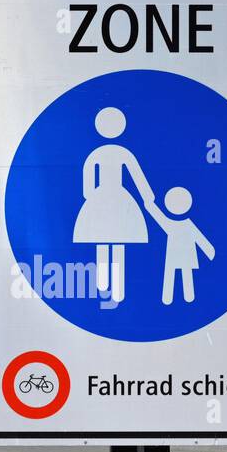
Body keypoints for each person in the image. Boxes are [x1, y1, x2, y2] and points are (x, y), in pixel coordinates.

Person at [72, 107, 155, 304]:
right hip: (119, 198)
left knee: (104, 240)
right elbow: (138, 177)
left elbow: (87, 184)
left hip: (100, 198)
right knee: (118, 242)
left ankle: (105, 285)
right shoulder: (121, 153)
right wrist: (148, 197)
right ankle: (115, 288)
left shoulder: (97, 153)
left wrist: (93, 200)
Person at [143, 186, 215, 304]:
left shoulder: (180, 225)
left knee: (183, 275)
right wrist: (150, 206)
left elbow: (200, 238)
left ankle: (186, 298)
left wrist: (209, 250)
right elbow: (158, 216)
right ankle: (168, 299)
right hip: (175, 254)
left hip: (183, 255)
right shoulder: (178, 224)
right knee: (172, 275)